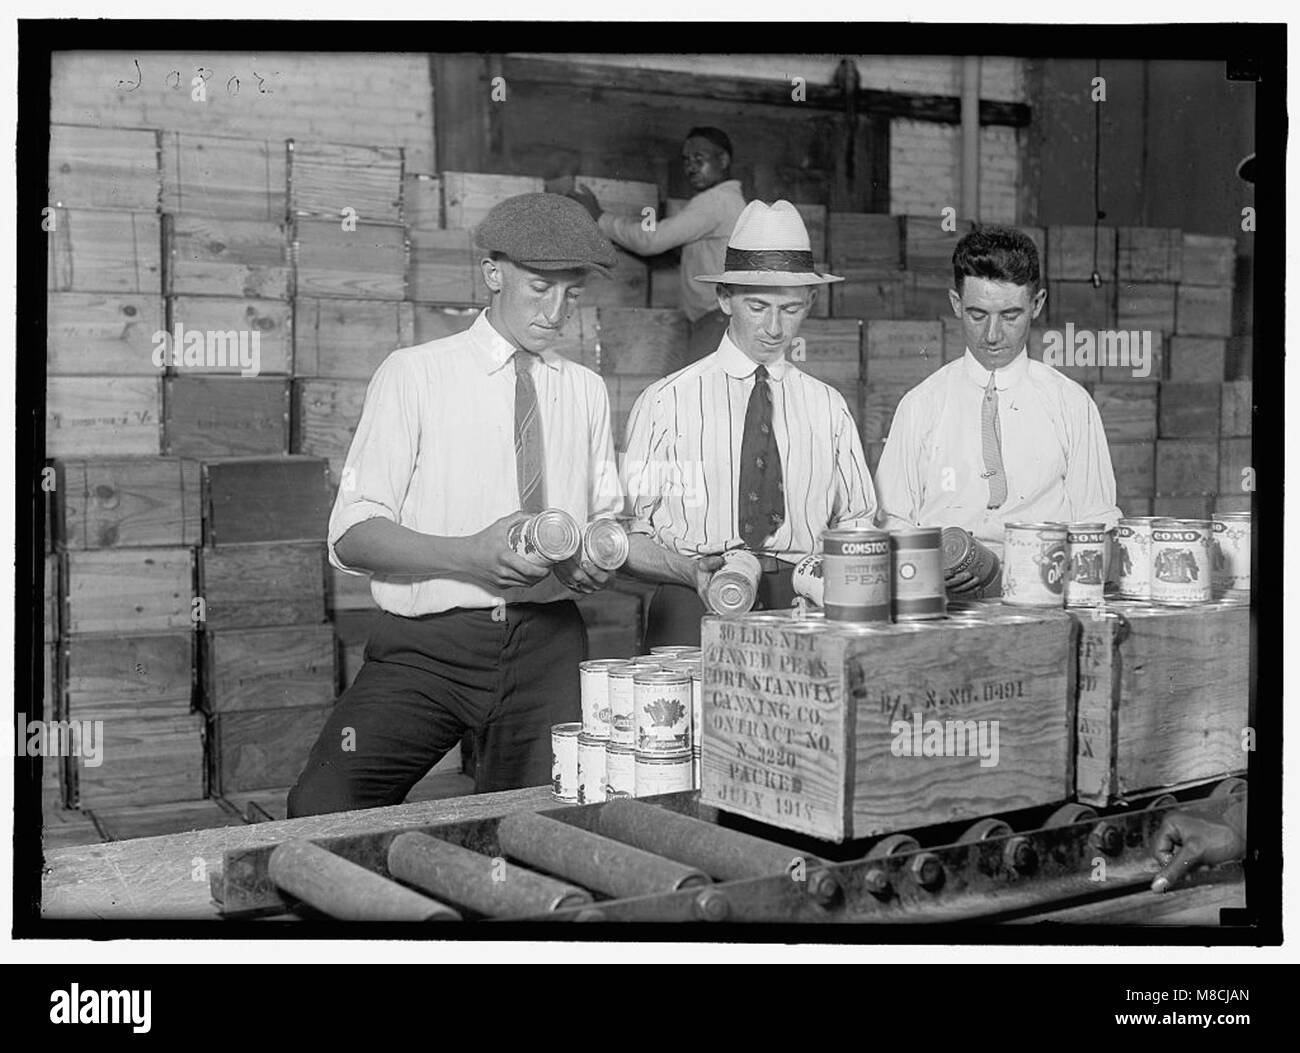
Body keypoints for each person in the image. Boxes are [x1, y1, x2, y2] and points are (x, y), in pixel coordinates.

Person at [287, 194, 623, 817]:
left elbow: (605, 521)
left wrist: (592, 559)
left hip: (547, 647)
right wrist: (468, 556)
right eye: (539, 287)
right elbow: (351, 534)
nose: (555, 312)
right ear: (493, 274)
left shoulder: (586, 391)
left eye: (571, 295)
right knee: (320, 808)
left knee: (545, 828)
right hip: (426, 650)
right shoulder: (415, 375)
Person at [618, 200, 878, 647]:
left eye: (791, 308)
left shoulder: (828, 407)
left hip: (801, 602)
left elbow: (858, 525)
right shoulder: (666, 402)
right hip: (691, 601)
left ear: (811, 301)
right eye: (757, 306)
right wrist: (688, 570)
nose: (775, 327)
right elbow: (628, 534)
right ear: (724, 297)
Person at [872, 225, 1122, 594]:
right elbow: (892, 523)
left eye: (1010, 315)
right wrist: (926, 567)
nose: (992, 335)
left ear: (1036, 304)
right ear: (956, 303)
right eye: (977, 315)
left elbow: (1096, 525)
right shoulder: (921, 405)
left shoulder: (1071, 404)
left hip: (1044, 601)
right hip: (945, 607)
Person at [566, 127, 746, 367]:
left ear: (723, 160)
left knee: (701, 397)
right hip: (717, 320)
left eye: (699, 159)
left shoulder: (716, 201)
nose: (690, 167)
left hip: (717, 321)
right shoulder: (730, 201)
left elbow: (650, 241)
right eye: (686, 160)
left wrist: (599, 217)